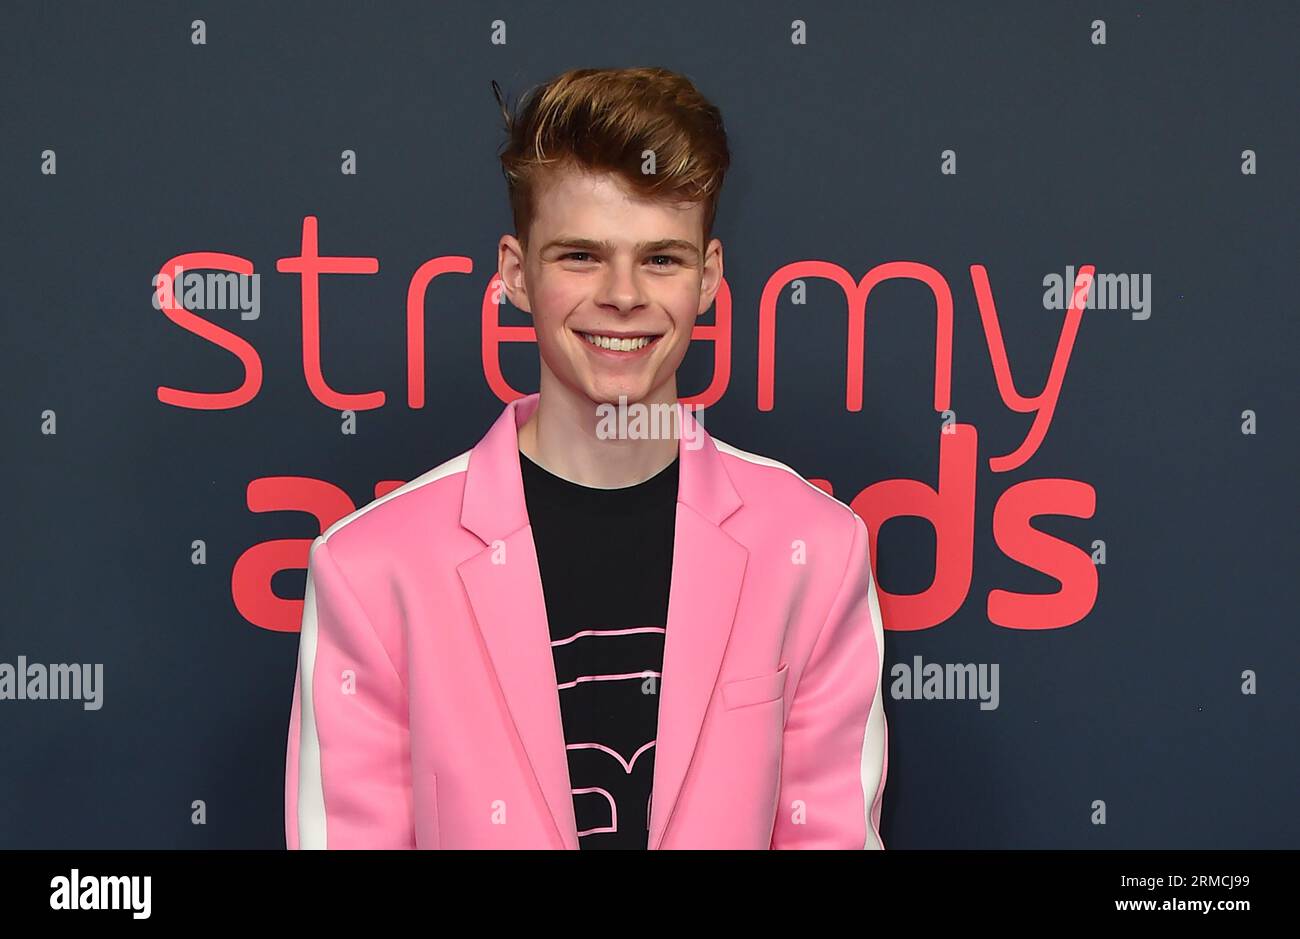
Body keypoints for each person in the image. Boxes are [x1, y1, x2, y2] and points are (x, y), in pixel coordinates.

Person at [285, 66, 887, 849]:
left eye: (662, 259)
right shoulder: (371, 568)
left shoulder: (816, 550)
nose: (624, 294)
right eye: (580, 256)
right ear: (514, 273)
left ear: (708, 278)